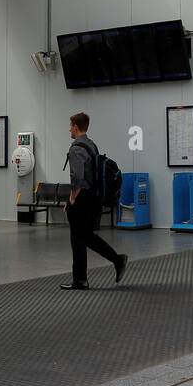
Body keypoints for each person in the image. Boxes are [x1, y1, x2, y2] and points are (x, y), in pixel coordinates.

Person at [60, 113, 127, 290]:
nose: (69, 129)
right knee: (82, 236)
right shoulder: (92, 145)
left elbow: (77, 177)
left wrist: (72, 199)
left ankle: (115, 260)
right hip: (94, 198)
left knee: (80, 237)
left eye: (70, 126)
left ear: (75, 126)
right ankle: (80, 279)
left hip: (82, 198)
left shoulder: (76, 148)